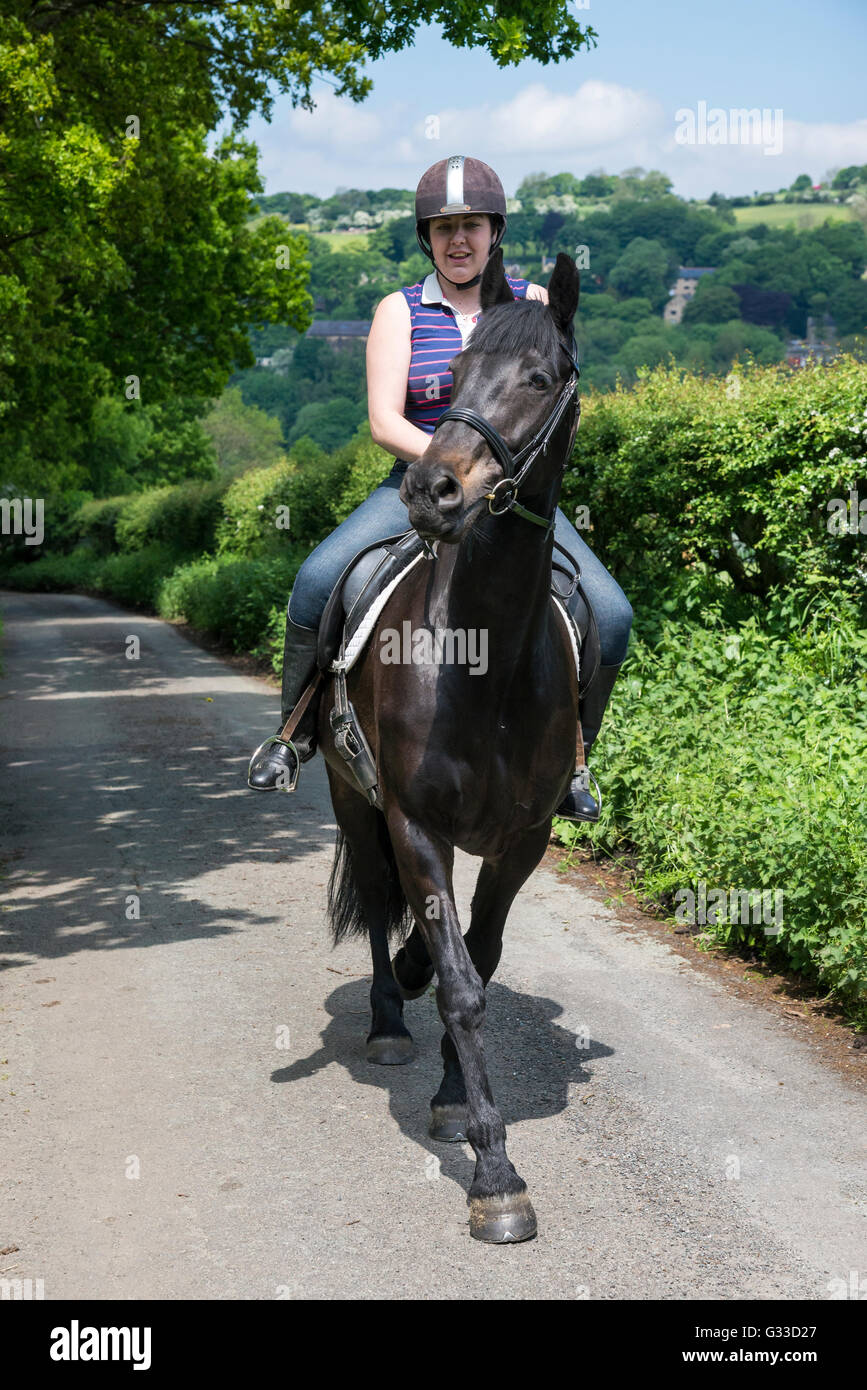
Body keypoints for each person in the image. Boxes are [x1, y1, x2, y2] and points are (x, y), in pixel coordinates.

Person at [247, 155, 632, 819]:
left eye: (471, 226)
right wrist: (453, 467)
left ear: (493, 232)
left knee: (613, 613)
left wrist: (492, 473)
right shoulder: (399, 311)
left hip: (510, 500)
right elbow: (382, 420)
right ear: (426, 238)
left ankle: (570, 761)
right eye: (443, 227)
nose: (458, 240)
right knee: (316, 579)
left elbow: (556, 400)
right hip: (418, 487)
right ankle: (294, 733)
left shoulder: (531, 306)